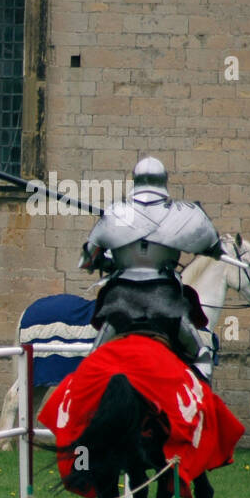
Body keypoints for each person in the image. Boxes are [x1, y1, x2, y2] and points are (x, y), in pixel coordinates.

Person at [78, 157, 222, 379]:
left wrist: (109, 259)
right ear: (164, 181)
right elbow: (213, 245)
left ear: (134, 180)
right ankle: (200, 408)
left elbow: (87, 261)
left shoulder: (115, 212)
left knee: (90, 365)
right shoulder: (186, 213)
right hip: (167, 302)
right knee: (201, 356)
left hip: (120, 303)